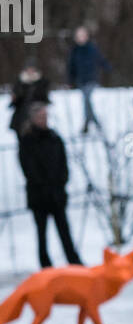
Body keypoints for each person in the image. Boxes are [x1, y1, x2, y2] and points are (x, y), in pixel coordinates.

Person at [18, 103, 82, 268]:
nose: (44, 120)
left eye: (45, 116)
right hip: (39, 195)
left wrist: (61, 182)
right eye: (40, 117)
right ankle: (45, 264)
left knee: (64, 231)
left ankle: (74, 262)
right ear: (33, 119)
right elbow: (28, 168)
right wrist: (43, 184)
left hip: (57, 193)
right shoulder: (27, 140)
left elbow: (63, 163)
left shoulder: (54, 137)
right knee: (42, 233)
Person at [68, 26, 111, 134]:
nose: (80, 38)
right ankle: (91, 123)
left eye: (82, 36)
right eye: (78, 36)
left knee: (86, 99)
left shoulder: (92, 48)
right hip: (81, 80)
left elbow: (100, 59)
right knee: (86, 101)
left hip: (91, 79)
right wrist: (70, 80)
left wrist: (108, 67)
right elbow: (71, 66)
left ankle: (90, 124)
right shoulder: (75, 50)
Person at [9, 63, 50, 141]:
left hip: (36, 115)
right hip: (21, 116)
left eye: (32, 69)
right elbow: (15, 100)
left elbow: (43, 97)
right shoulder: (20, 82)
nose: (30, 71)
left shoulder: (41, 82)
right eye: (28, 69)